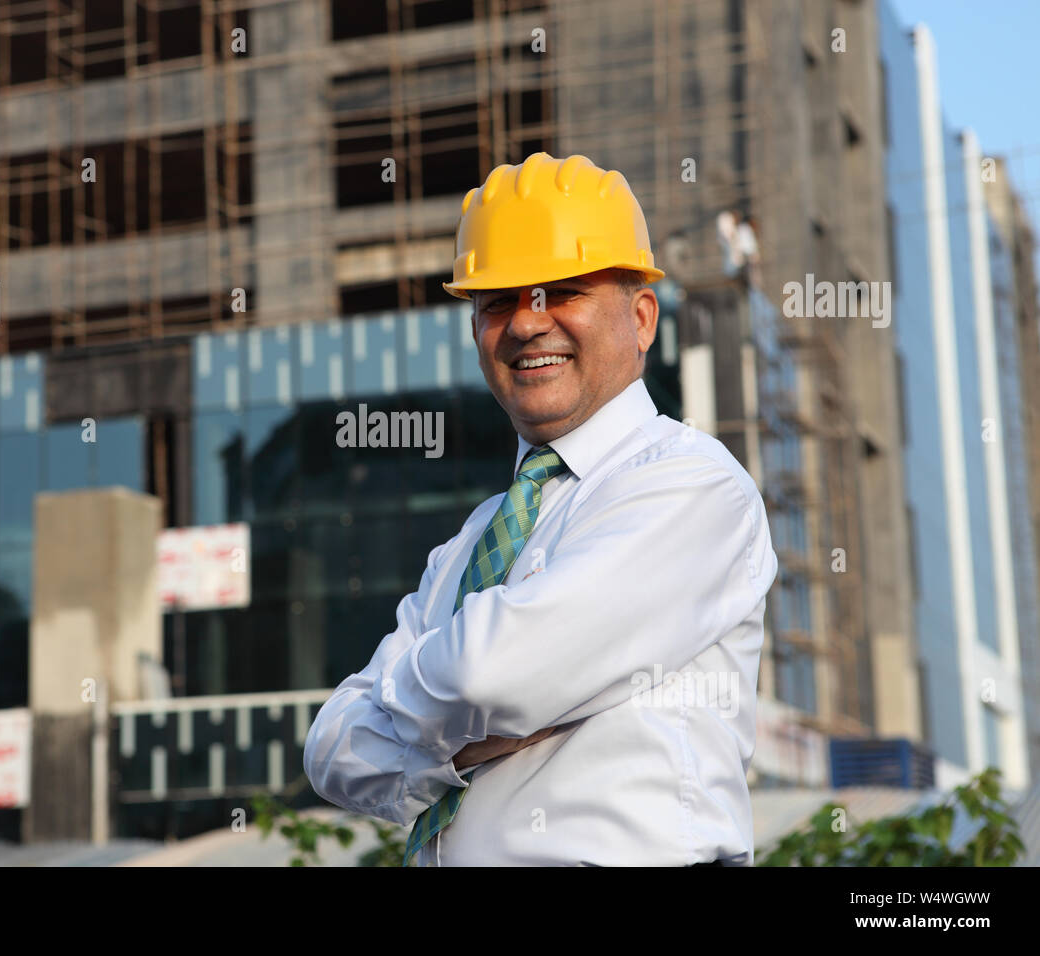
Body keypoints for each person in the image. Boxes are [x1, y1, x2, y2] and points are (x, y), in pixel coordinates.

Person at [302, 152, 778, 866]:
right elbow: (331, 749)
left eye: (563, 290)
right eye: (498, 301)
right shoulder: (473, 540)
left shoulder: (694, 487)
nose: (527, 325)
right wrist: (460, 746)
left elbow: (489, 674)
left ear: (642, 318)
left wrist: (403, 708)